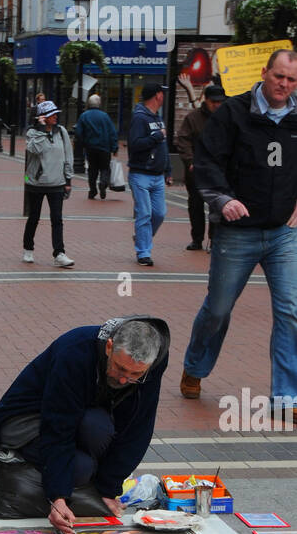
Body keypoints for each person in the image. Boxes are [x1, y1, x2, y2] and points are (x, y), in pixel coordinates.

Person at [0, 316, 169, 532]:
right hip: (25, 423)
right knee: (82, 464)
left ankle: (76, 470)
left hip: (81, 419)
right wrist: (57, 496)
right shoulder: (75, 352)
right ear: (109, 347)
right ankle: (16, 461)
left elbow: (138, 428)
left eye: (135, 374)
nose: (124, 379)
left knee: (98, 428)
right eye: (120, 368)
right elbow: (57, 427)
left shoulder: (153, 362)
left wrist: (107, 489)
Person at [180, 49, 297, 404]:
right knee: (217, 310)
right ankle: (195, 367)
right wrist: (222, 200)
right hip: (237, 232)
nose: (285, 85)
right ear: (264, 72)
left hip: (283, 234)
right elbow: (207, 161)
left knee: (291, 311)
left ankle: (286, 395)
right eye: (279, 76)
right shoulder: (233, 112)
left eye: (292, 80)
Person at [22, 100, 75, 268]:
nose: (56, 117)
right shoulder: (32, 133)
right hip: (36, 183)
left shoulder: (62, 132)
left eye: (56, 113)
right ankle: (28, 248)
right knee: (34, 217)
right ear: (42, 117)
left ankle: (59, 253)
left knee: (57, 219)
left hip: (57, 183)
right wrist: (41, 130)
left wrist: (68, 179)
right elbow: (35, 150)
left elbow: (68, 155)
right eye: (51, 114)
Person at [175, 84, 225, 251]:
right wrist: (190, 162)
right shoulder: (193, 118)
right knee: (195, 206)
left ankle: (214, 239)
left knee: (217, 207)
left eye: (220, 102)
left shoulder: (227, 118)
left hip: (219, 171)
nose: (217, 105)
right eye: (213, 102)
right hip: (197, 171)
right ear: (206, 100)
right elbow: (183, 141)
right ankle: (197, 239)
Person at [127, 82, 173, 266]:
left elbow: (163, 146)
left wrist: (168, 169)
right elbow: (135, 144)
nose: (164, 96)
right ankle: (143, 252)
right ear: (158, 96)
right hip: (141, 174)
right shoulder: (140, 118)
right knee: (144, 213)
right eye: (162, 93)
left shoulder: (157, 117)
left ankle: (141, 237)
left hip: (157, 174)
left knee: (160, 213)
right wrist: (156, 136)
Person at [73, 93, 119, 199]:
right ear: (99, 104)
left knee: (92, 169)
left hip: (90, 147)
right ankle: (103, 183)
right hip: (104, 147)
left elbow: (79, 132)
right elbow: (112, 132)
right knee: (105, 168)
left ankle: (92, 190)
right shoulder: (105, 116)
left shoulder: (84, 116)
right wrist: (114, 147)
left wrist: (83, 143)